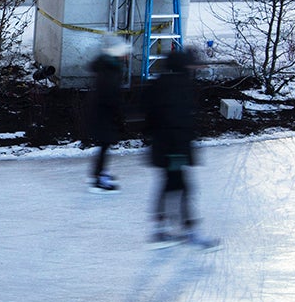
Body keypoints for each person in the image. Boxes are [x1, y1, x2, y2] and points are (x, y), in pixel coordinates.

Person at [143, 47, 218, 250]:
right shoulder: (179, 87)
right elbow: (176, 120)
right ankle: (189, 231)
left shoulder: (160, 83)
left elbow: (149, 117)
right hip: (174, 148)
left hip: (163, 146)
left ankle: (160, 229)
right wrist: (176, 151)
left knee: (169, 186)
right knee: (183, 188)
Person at [86, 37, 128, 192]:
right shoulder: (110, 70)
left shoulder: (109, 67)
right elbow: (110, 95)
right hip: (103, 114)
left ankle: (99, 173)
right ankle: (98, 177)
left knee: (104, 146)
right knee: (104, 145)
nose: (126, 55)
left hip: (102, 113)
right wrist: (118, 113)